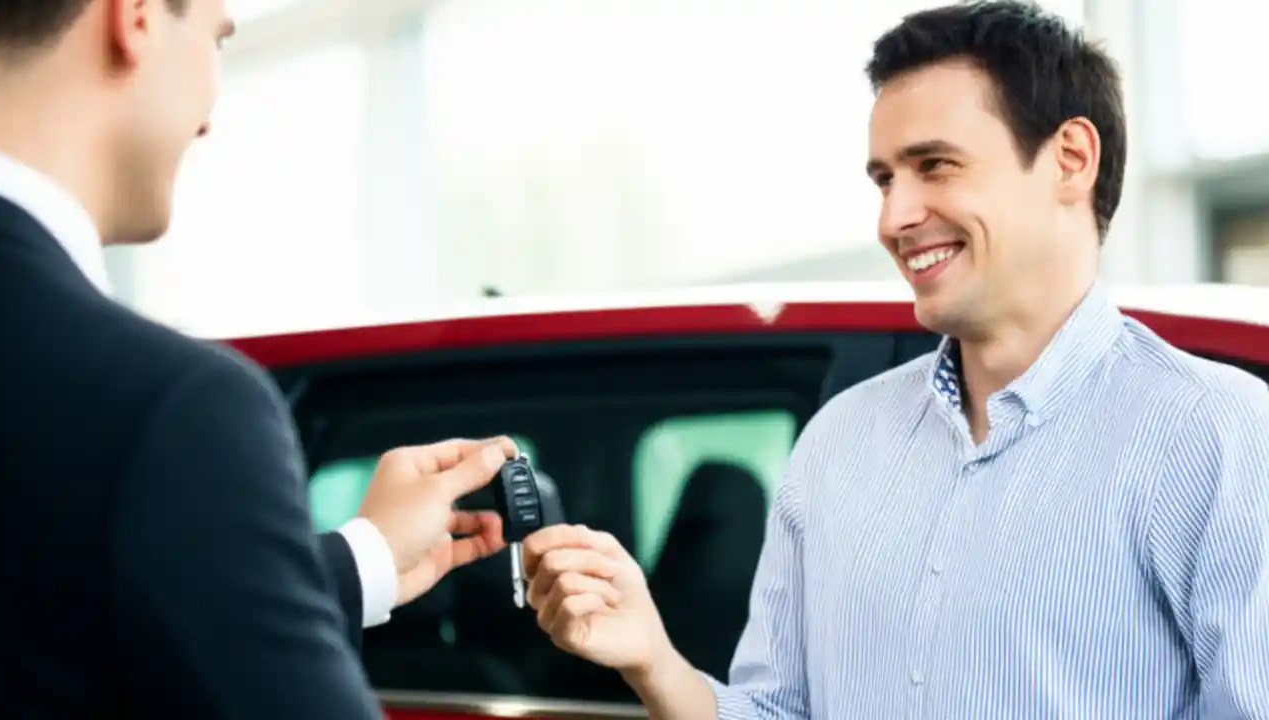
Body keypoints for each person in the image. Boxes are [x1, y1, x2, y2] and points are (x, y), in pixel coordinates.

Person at [522, 2, 1269, 718]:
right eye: (885, 179)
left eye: (934, 166)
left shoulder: (1217, 436)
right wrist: (653, 660)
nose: (893, 218)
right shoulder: (839, 443)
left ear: (1070, 159)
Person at [0, 1, 515, 716]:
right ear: (135, 18)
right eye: (216, 41)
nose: (209, 116)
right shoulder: (171, 409)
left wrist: (363, 558)